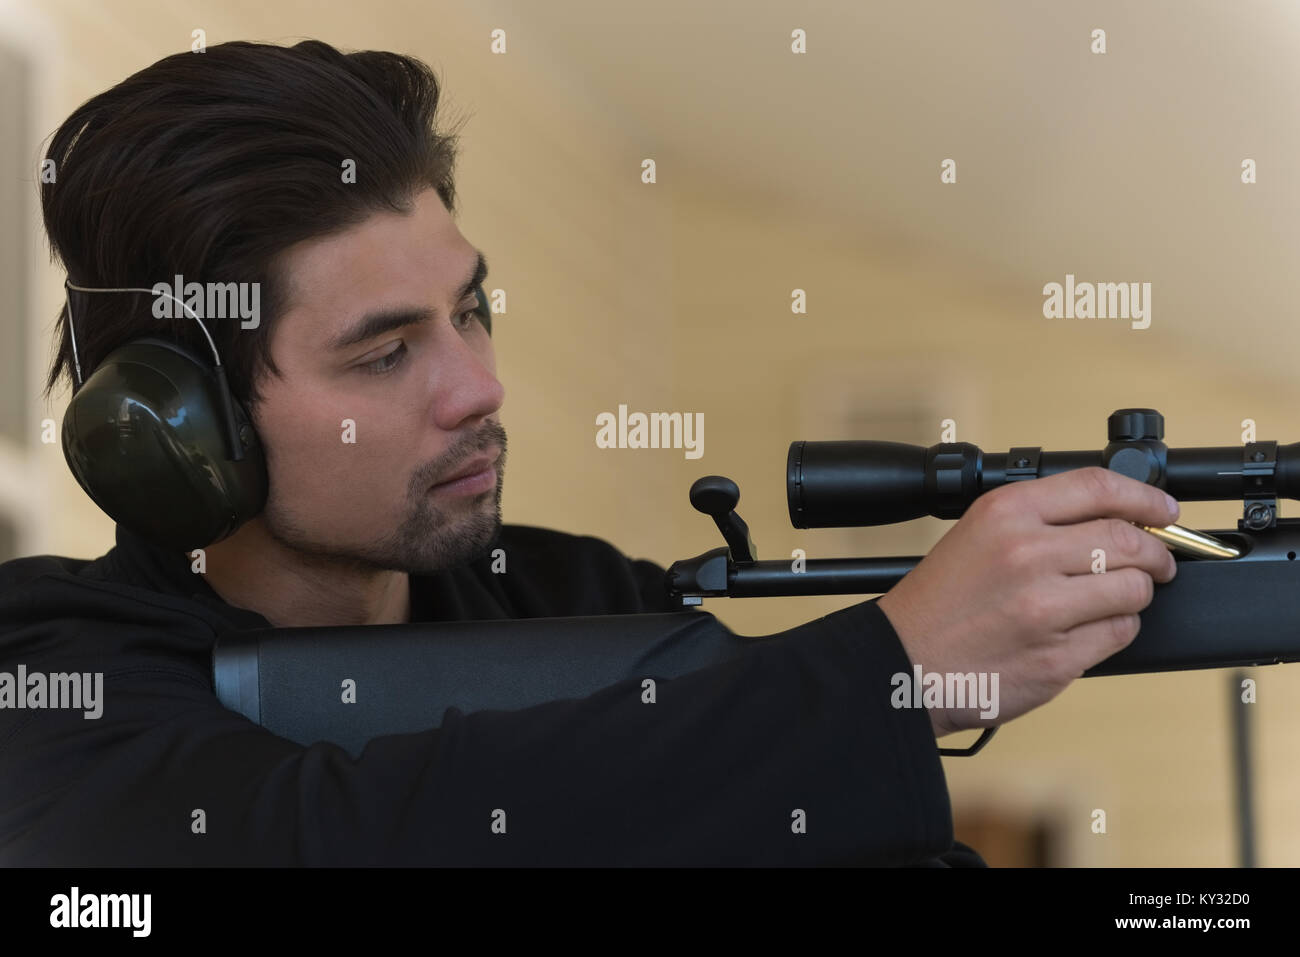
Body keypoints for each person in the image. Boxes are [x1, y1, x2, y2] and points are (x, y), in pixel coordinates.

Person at [0, 40, 1179, 867]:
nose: (480, 387)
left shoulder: (578, 604)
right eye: (382, 354)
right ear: (182, 429)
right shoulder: (51, 672)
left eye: (470, 311)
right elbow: (321, 839)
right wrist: (886, 672)